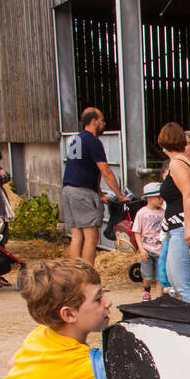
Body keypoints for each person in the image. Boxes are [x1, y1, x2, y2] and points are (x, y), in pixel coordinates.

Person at [62, 107, 129, 266]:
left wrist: (99, 193)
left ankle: (74, 277)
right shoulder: (93, 141)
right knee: (91, 236)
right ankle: (88, 279)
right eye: (102, 120)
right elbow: (105, 171)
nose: (104, 124)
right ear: (94, 121)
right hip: (82, 193)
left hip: (68, 190)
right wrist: (120, 196)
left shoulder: (77, 139)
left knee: (77, 235)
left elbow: (84, 168)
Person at [156, 121, 190, 307]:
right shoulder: (188, 162)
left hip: (181, 227)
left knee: (184, 285)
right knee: (175, 280)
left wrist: (187, 229)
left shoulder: (177, 163)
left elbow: (189, 195)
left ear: (163, 143)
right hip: (178, 227)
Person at [132, 182, 167, 300]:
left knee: (160, 275)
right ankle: (146, 289)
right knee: (147, 275)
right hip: (147, 249)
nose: (161, 199)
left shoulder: (163, 212)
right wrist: (141, 249)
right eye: (158, 197)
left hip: (160, 250)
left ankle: (159, 297)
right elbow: (137, 232)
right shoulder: (142, 213)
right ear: (149, 198)